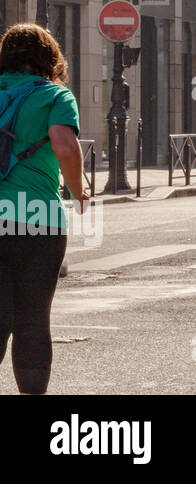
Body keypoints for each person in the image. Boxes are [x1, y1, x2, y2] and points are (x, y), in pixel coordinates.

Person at [0, 23, 87, 395]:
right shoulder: (54, 96)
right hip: (36, 218)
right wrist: (79, 191)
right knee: (33, 318)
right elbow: (64, 146)